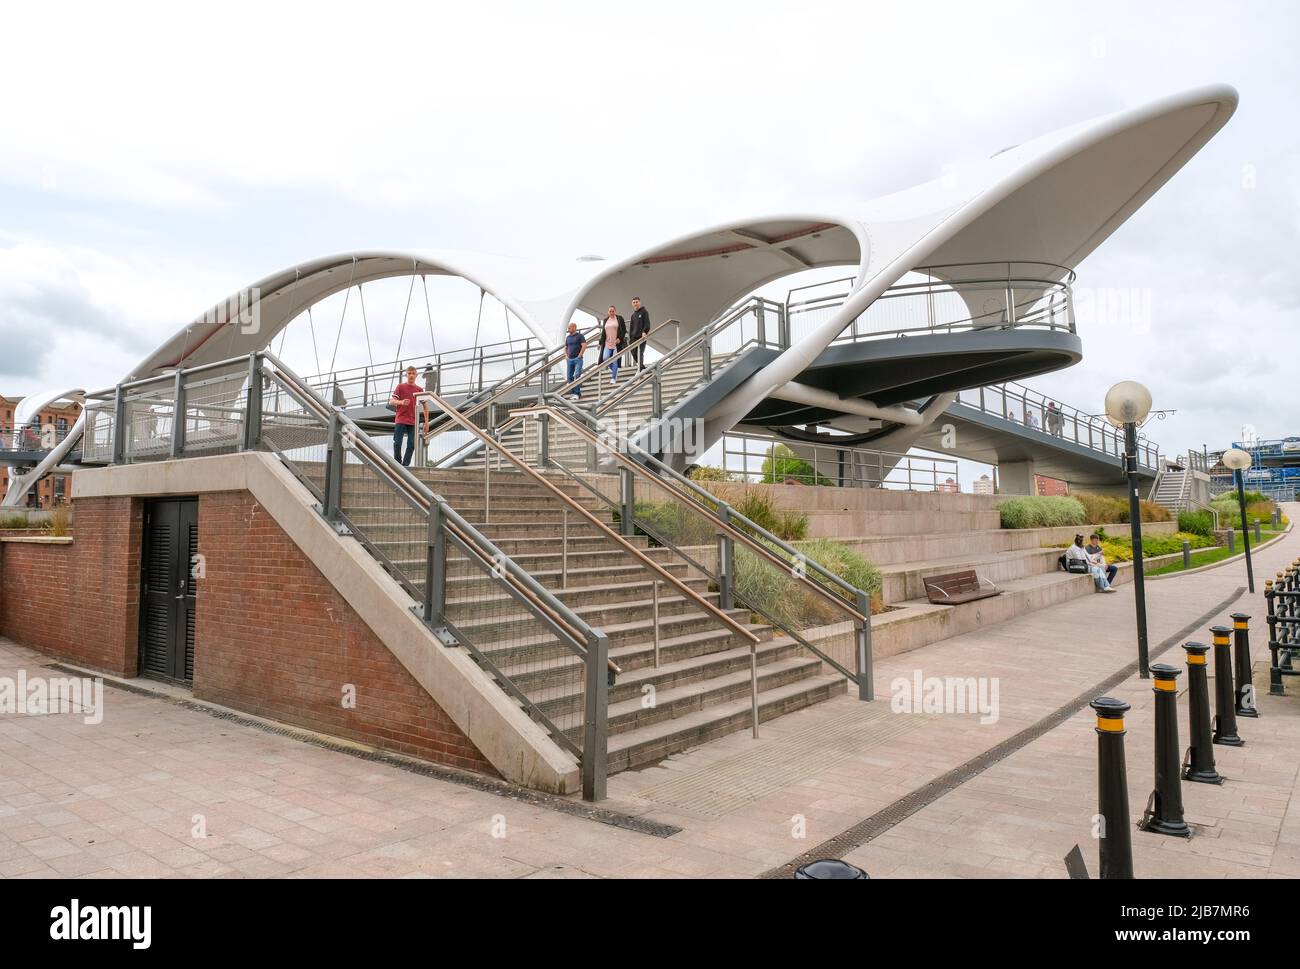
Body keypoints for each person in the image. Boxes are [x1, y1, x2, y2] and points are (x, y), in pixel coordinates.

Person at [388, 366, 429, 467]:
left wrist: (427, 423)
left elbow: (425, 407)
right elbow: (392, 401)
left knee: (412, 445)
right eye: (409, 373)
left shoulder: (419, 389)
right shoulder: (400, 387)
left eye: (413, 373)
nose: (411, 375)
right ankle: (398, 464)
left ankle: (405, 466)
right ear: (406, 374)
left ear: (416, 375)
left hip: (413, 421)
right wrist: (401, 402)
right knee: (397, 443)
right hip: (401, 419)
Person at [598, 305, 626, 385]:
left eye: (613, 311)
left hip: (616, 344)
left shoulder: (619, 318)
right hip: (607, 343)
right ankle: (615, 369)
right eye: (610, 311)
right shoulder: (606, 320)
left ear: (615, 311)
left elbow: (623, 330)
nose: (611, 312)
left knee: (614, 361)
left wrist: (619, 339)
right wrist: (600, 343)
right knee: (605, 358)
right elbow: (603, 333)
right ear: (608, 312)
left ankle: (613, 378)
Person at [562, 322, 587, 399]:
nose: (568, 329)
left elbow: (584, 345)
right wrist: (566, 356)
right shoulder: (568, 337)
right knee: (569, 377)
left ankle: (576, 393)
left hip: (578, 359)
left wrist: (580, 355)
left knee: (577, 375)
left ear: (574, 327)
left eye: (569, 328)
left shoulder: (580, 336)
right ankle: (575, 394)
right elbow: (565, 347)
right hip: (569, 359)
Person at [628, 297, 651, 371]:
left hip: (641, 337)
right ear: (632, 304)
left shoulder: (644, 312)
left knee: (640, 353)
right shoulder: (633, 315)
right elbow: (631, 327)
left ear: (639, 303)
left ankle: (640, 369)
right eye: (634, 302)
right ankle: (642, 367)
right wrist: (630, 337)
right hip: (633, 338)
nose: (635, 303)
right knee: (633, 352)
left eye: (636, 302)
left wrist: (644, 332)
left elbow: (647, 323)